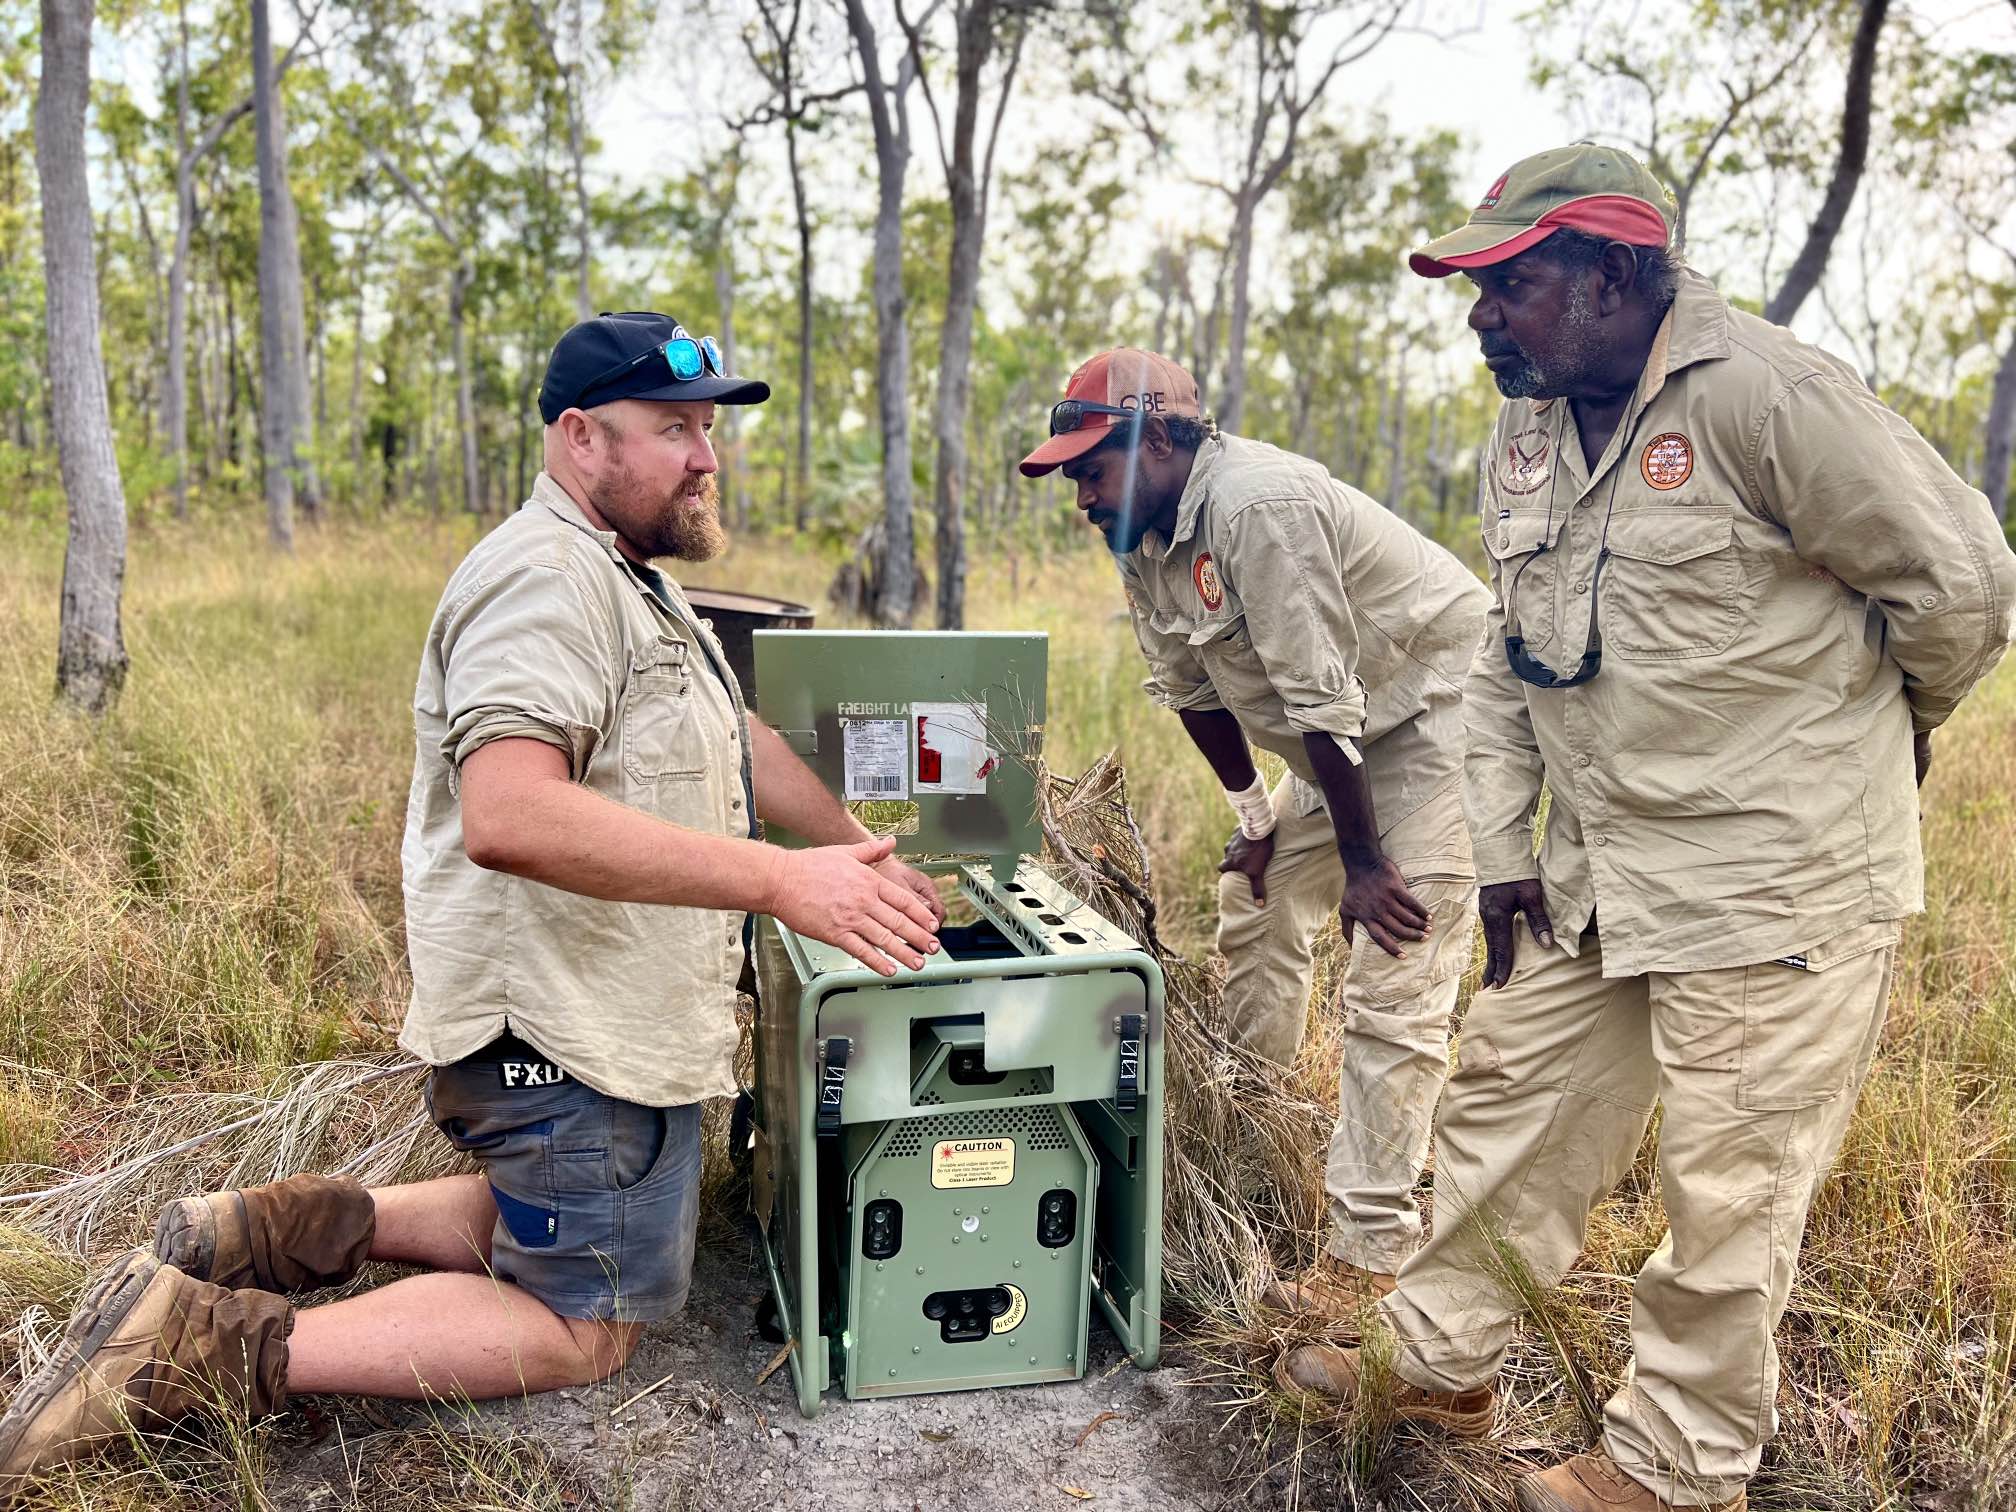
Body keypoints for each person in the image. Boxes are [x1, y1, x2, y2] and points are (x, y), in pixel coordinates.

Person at [0, 311, 946, 1495]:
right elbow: (512, 813)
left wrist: (853, 848)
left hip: (599, 1021)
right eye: (672, 429)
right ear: (579, 436)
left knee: (556, 1199)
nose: (706, 457)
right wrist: (777, 881)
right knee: (585, 1323)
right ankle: (193, 1348)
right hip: (558, 1030)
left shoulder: (628, 577)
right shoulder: (545, 580)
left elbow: (736, 740)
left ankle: (261, 1231)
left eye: (709, 429)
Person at [1271, 144, 2016, 1512]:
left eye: (1513, 283)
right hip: (1594, 862)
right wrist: (1502, 853)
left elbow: (1963, 585)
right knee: (1513, 1104)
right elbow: (1506, 658)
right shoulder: (1532, 423)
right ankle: (1440, 1355)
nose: (1482, 314)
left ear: (1618, 271)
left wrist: (1877, 742)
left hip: (1773, 877)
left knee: (1731, 1183)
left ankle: (1675, 1472)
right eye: (1476, 287)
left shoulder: (1771, 400)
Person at [1020, 348, 1490, 1318]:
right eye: (1070, 476)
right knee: (1254, 892)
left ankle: (1367, 1259)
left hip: (1438, 720)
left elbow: (1325, 699)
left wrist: (1364, 864)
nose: (1080, 496)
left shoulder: (1256, 508)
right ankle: (1253, 1132)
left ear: (1156, 442)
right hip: (1342, 745)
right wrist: (1256, 822)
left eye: (1090, 469)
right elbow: (1192, 691)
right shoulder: (1142, 533)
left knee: (1393, 972)